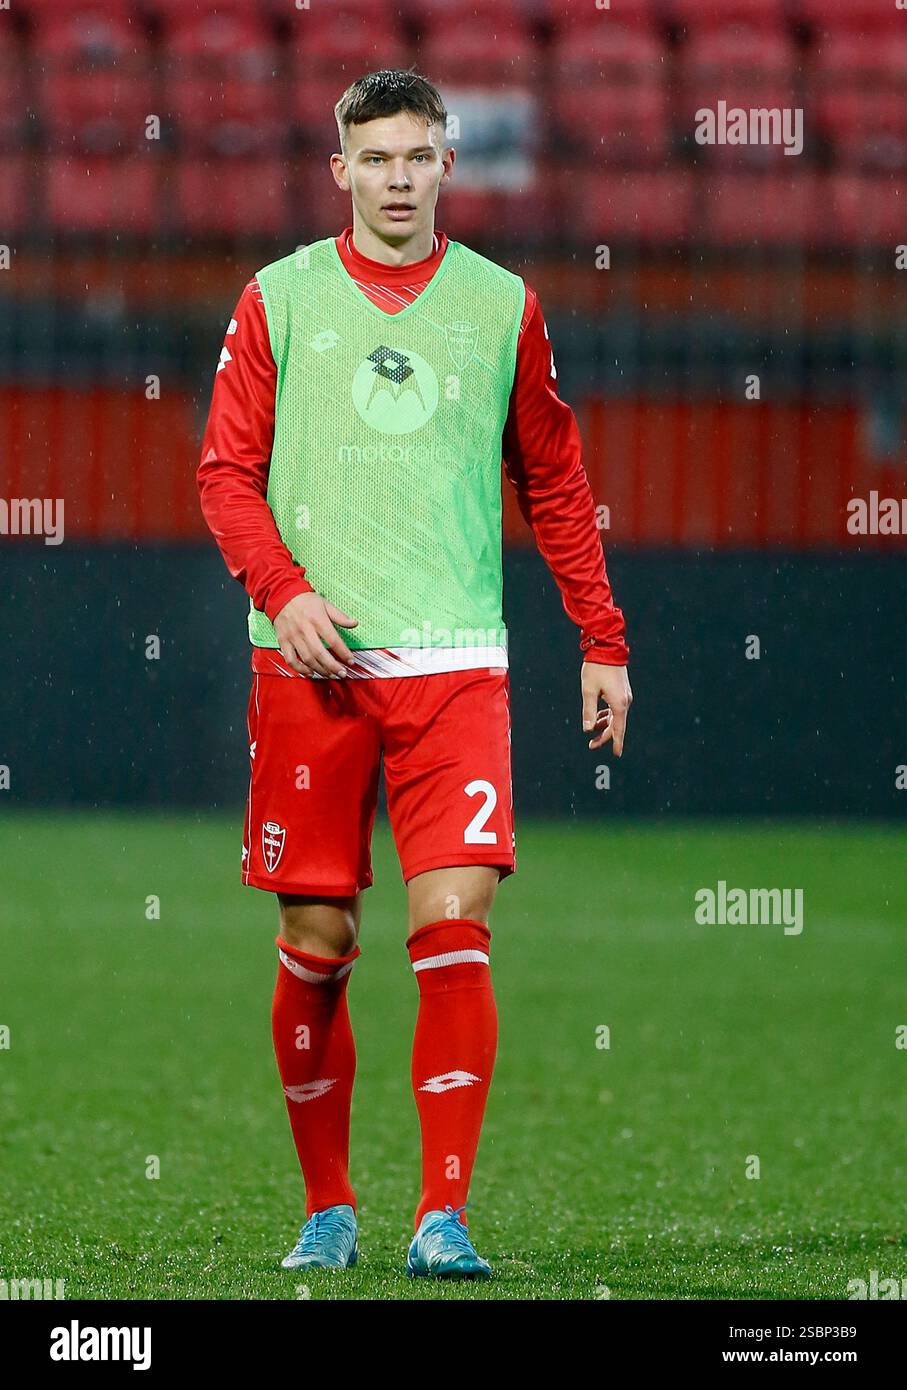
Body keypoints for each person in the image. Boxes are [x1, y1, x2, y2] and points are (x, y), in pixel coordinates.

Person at [197, 68, 632, 1281]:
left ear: (447, 166)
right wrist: (284, 595)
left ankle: (442, 1212)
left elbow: (555, 482)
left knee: (455, 925)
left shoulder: (503, 308)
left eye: (415, 158)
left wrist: (602, 639)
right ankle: (327, 1206)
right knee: (318, 935)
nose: (396, 178)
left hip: (455, 671)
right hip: (309, 671)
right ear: (340, 170)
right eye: (373, 158)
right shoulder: (278, 298)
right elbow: (223, 476)